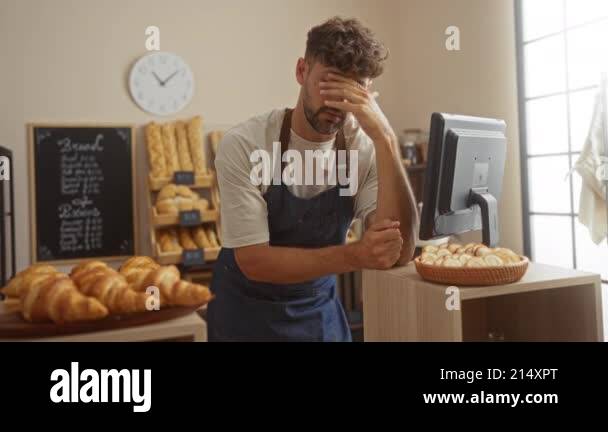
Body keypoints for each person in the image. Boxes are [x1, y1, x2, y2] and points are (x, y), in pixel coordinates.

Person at [207, 17, 419, 341]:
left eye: (351, 92)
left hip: (318, 313)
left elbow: (398, 250)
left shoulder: (364, 148)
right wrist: (356, 254)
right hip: (245, 317)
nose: (337, 103)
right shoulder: (246, 144)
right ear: (301, 72)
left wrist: (386, 138)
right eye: (329, 85)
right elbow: (255, 261)